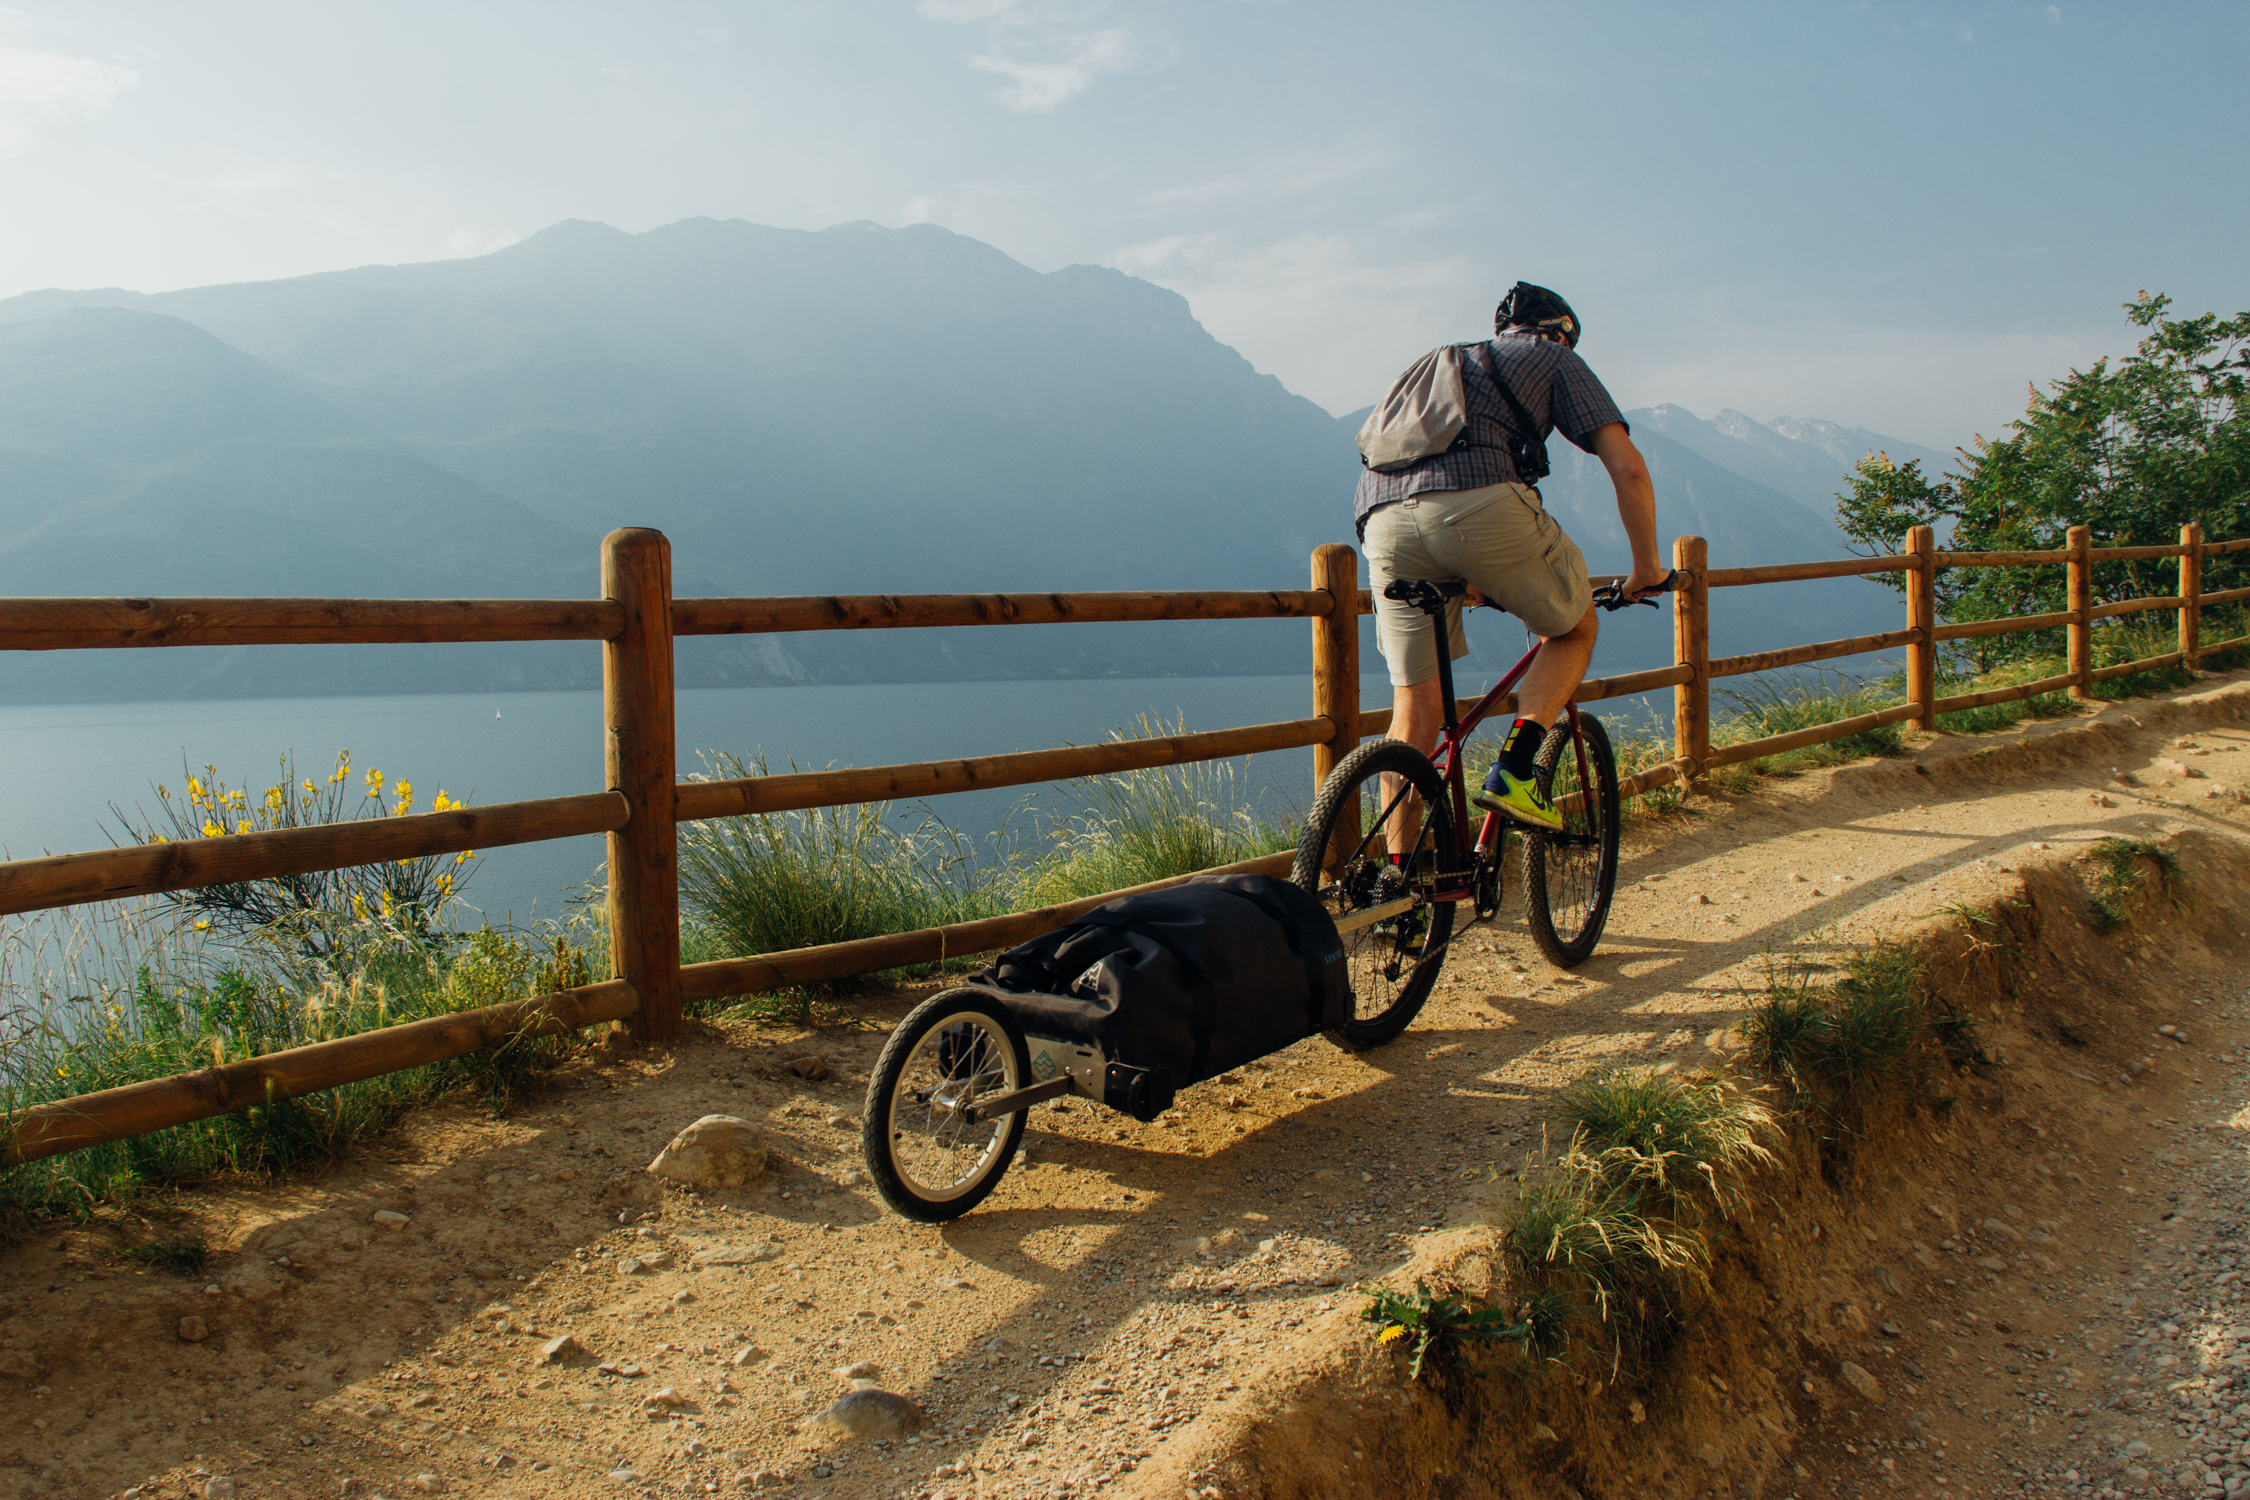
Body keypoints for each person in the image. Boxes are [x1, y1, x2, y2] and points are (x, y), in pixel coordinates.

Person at [1353, 282, 1666, 834]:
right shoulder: (1551, 355)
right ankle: (1516, 772)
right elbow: (1629, 466)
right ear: (1562, 332)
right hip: (1478, 506)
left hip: (1380, 520)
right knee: (1573, 631)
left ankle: (1398, 890)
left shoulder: (1441, 366)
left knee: (1413, 715)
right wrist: (1646, 569)